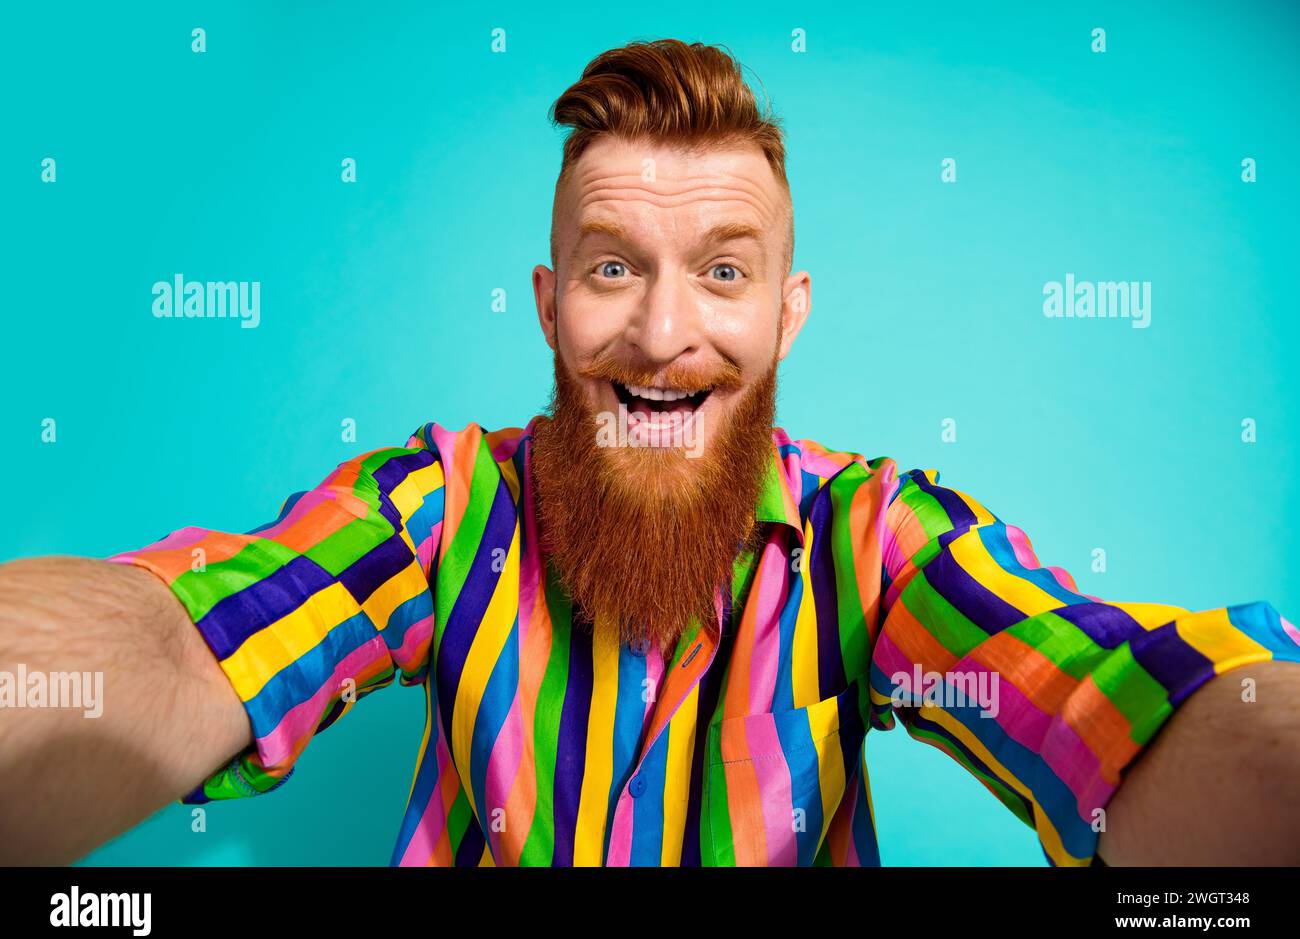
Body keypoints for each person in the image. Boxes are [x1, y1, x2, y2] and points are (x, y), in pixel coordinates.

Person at [2, 38, 1297, 868]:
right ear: (550, 303)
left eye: (723, 273)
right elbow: (189, 636)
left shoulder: (877, 540)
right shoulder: (440, 514)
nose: (664, 333)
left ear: (788, 312)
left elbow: (1114, 691)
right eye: (614, 267)